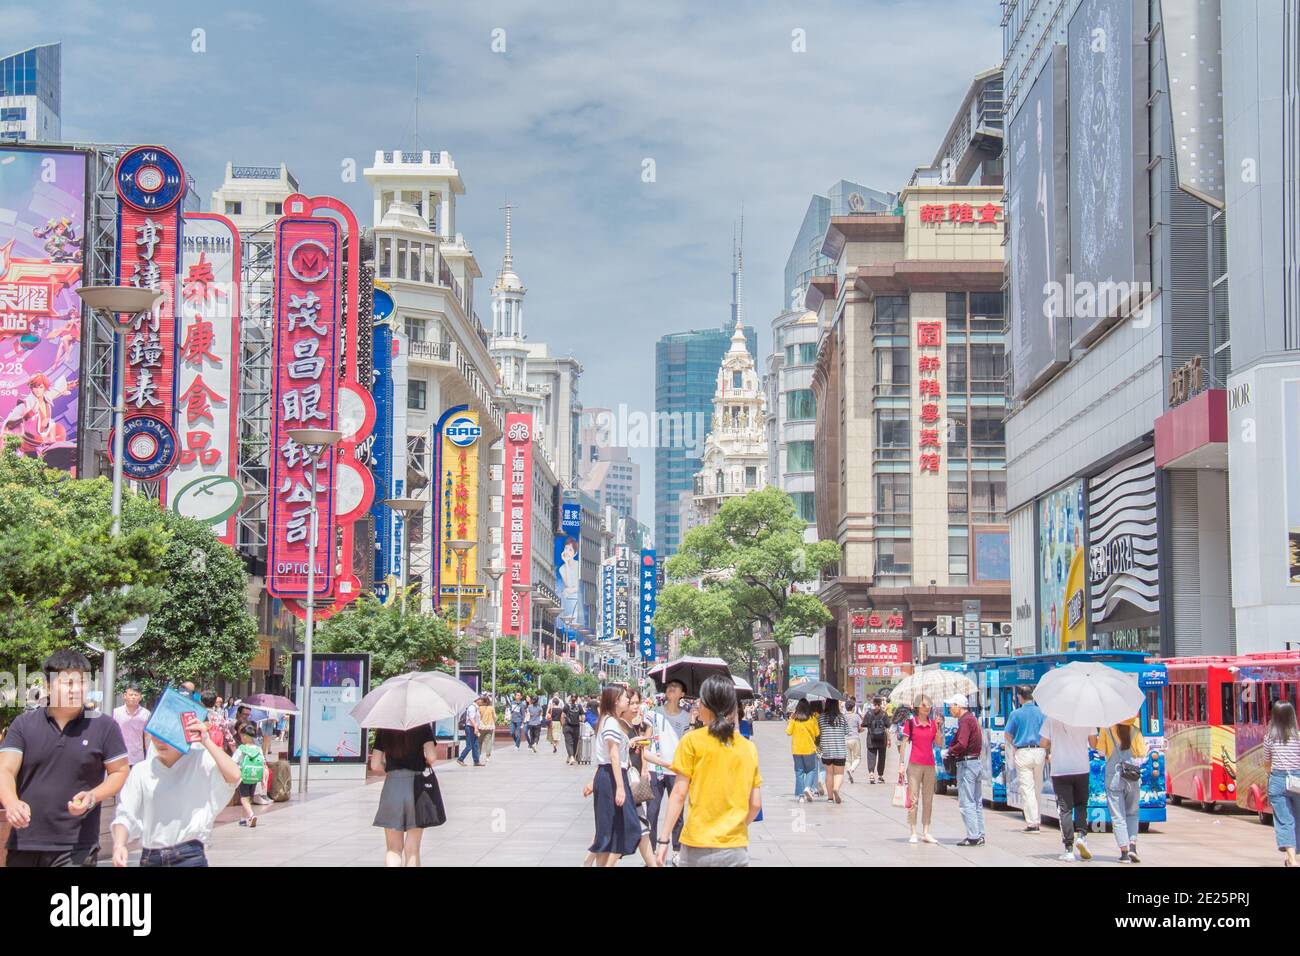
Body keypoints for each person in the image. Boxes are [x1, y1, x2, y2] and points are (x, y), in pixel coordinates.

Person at [0, 649, 130, 867]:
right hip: (25, 842)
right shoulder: (23, 724)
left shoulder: (104, 726)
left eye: (81, 682)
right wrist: (11, 802)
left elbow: (119, 771)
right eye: (67, 683)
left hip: (77, 845)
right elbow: (5, 769)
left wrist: (92, 796)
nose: (76, 689)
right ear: (49, 686)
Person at [655, 674, 762, 867]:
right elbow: (755, 804)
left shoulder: (691, 741)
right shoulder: (748, 748)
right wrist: (736, 827)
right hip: (735, 848)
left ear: (705, 705)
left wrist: (664, 840)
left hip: (697, 844)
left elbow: (678, 794)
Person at [110, 714, 242, 867]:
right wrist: (119, 845)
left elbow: (234, 775)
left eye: (168, 734)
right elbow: (126, 812)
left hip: (189, 855)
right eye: (156, 733)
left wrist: (206, 740)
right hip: (151, 857)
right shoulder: (142, 770)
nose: (160, 741)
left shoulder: (200, 760)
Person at [584, 686, 643, 866]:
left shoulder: (611, 721)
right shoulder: (610, 722)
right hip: (611, 777)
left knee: (612, 830)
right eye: (626, 698)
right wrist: (619, 787)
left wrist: (629, 742)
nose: (628, 700)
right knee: (620, 829)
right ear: (616, 700)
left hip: (610, 775)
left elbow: (616, 753)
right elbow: (613, 755)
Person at [370, 722, 440, 866]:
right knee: (413, 849)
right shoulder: (422, 725)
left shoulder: (385, 727)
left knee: (393, 849)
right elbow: (432, 756)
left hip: (392, 786)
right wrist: (423, 761)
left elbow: (375, 764)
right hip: (416, 786)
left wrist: (391, 769)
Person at [1091, 715, 1146, 864]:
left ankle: (1124, 852)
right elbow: (1142, 754)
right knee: (1133, 813)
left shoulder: (1106, 729)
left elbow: (1101, 752)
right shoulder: (1135, 731)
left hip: (1114, 777)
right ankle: (1133, 846)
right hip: (1133, 778)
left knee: (1118, 815)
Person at [646, 679, 691, 862]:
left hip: (676, 769)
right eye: (669, 687)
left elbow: (687, 743)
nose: (671, 689)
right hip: (655, 768)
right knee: (652, 811)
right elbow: (647, 740)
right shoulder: (654, 713)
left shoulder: (687, 716)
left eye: (676, 687)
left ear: (682, 694)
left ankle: (676, 849)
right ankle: (650, 849)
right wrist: (643, 768)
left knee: (678, 813)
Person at [1040, 715, 1094, 862]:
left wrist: (1054, 742)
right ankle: (1082, 836)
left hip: (1060, 770)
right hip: (1082, 768)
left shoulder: (1051, 718)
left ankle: (1068, 849)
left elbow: (1043, 742)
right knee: (1081, 805)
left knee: (1065, 809)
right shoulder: (1087, 717)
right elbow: (1094, 743)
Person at [1002, 685, 1046, 832]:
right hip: (1039, 751)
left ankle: (1032, 822)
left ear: (1020, 697)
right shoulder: (1042, 713)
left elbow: (1007, 734)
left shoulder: (1016, 714)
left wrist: (1014, 744)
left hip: (1023, 752)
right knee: (1037, 787)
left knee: (1027, 788)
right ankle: (1037, 818)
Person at [1263, 699, 1300, 867]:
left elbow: (1267, 762)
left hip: (1277, 781)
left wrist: (1272, 774)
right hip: (1297, 780)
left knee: (1285, 821)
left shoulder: (1269, 737)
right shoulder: (1298, 737)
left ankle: (1292, 859)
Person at [900, 696, 941, 845]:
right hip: (914, 764)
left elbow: (939, 743)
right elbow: (904, 744)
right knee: (913, 799)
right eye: (924, 705)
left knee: (928, 799)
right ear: (917, 707)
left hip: (930, 764)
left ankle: (926, 831)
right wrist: (901, 764)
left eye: (929, 705)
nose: (927, 707)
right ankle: (913, 831)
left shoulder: (932, 724)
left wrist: (939, 727)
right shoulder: (910, 723)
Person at [945, 693, 984, 847]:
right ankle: (979, 834)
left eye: (951, 706)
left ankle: (972, 836)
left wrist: (949, 751)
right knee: (976, 801)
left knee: (967, 801)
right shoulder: (971, 718)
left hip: (967, 764)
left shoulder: (965, 721)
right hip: (976, 762)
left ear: (958, 706)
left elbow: (962, 744)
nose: (950, 709)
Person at [232, 722, 265, 828]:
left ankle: (251, 816)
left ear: (245, 737)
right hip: (255, 777)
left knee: (243, 798)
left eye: (241, 736)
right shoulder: (258, 749)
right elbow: (263, 763)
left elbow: (233, 761)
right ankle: (243, 819)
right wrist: (263, 779)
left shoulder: (241, 749)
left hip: (244, 777)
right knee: (248, 799)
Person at [786, 698, 820, 802]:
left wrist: (790, 720)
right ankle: (807, 787)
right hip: (809, 749)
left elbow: (788, 732)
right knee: (811, 770)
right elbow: (817, 733)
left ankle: (801, 795)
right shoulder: (812, 718)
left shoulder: (794, 719)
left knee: (799, 771)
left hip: (796, 749)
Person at [817, 698, 849, 803]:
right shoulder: (842, 718)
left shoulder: (821, 718)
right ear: (836, 705)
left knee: (829, 773)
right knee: (839, 773)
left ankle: (830, 798)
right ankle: (836, 789)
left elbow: (818, 732)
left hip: (826, 750)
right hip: (839, 750)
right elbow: (846, 732)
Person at [112, 683, 152, 767]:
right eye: (131, 694)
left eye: (136, 695)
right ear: (125, 696)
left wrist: (149, 756)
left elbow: (147, 737)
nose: (133, 697)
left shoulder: (146, 714)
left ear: (140, 697)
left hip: (137, 759)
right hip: (119, 757)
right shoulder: (116, 713)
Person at [863, 698, 891, 784]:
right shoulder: (884, 714)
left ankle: (871, 775)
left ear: (873, 704)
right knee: (882, 758)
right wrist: (889, 739)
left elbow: (864, 724)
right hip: (882, 740)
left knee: (871, 756)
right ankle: (880, 776)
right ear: (880, 704)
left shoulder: (869, 713)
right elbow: (887, 727)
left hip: (871, 739)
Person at [456, 696, 482, 767]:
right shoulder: (472, 707)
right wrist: (476, 727)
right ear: (477, 700)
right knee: (469, 745)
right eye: (481, 700)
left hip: (473, 727)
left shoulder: (476, 708)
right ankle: (460, 759)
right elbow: (471, 718)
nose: (482, 701)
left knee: (475, 745)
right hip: (470, 728)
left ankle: (476, 761)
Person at [844, 697, 863, 783]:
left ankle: (849, 774)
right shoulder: (856, 716)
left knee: (848, 759)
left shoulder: (842, 717)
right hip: (855, 738)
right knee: (858, 758)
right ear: (853, 707)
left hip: (845, 739)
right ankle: (851, 769)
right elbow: (861, 727)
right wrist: (860, 730)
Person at [562, 694, 584, 764]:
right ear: (577, 699)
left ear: (570, 698)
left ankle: (571, 757)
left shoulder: (566, 706)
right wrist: (580, 720)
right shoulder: (579, 706)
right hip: (576, 727)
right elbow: (583, 717)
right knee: (575, 742)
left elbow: (562, 715)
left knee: (568, 742)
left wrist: (563, 725)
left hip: (567, 726)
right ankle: (572, 756)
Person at [477, 695, 496, 763]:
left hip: (481, 727)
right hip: (489, 727)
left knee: (479, 742)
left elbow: (477, 718)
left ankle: (478, 755)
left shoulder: (479, 708)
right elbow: (495, 717)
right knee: (488, 742)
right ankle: (487, 757)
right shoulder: (491, 708)